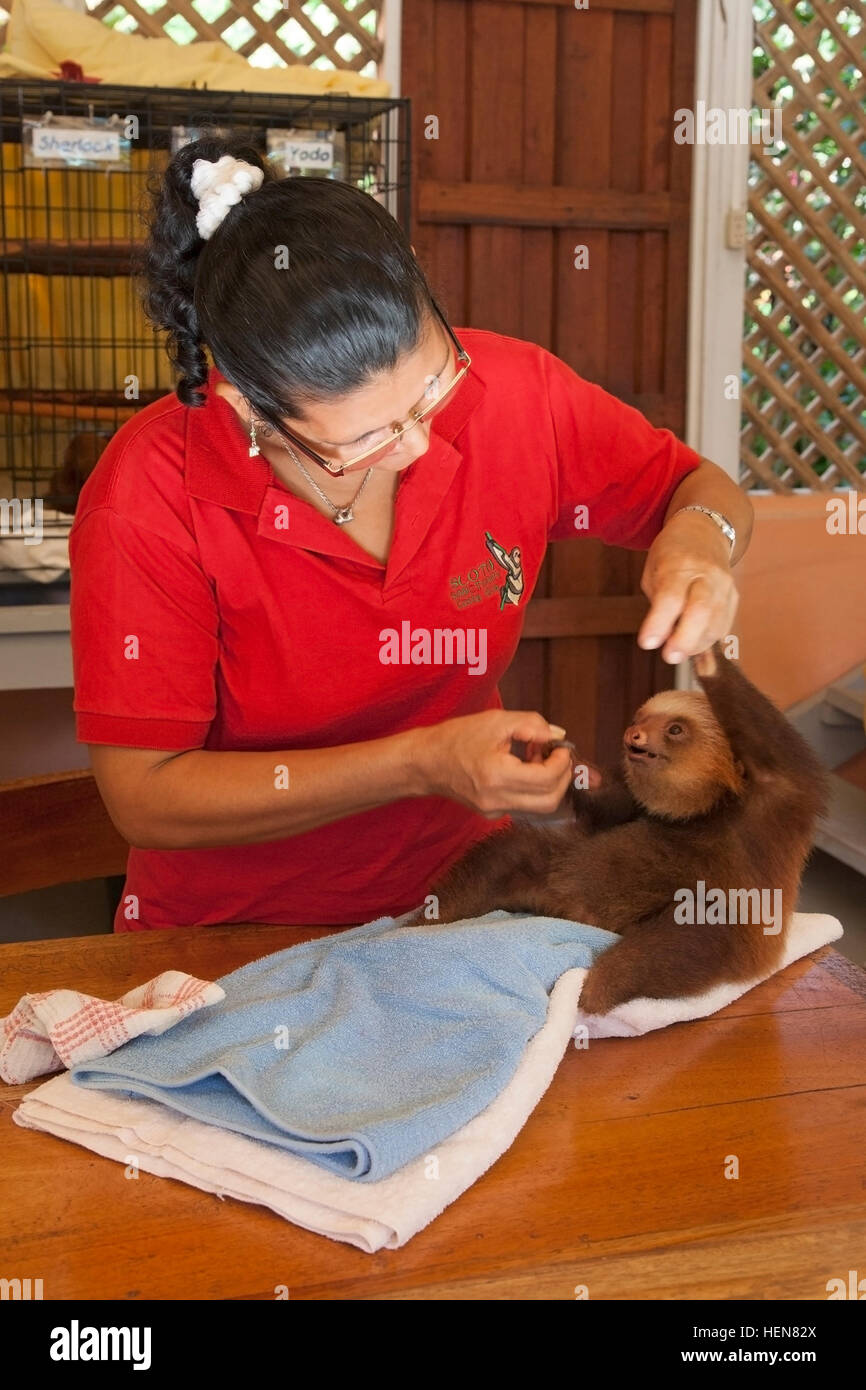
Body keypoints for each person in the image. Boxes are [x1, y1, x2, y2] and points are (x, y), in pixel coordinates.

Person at [69, 135, 752, 932]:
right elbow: (146, 798)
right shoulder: (149, 496)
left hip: (468, 902)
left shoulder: (516, 396)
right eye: (364, 439)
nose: (421, 445)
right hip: (235, 940)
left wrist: (702, 538)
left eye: (433, 385)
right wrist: (421, 763)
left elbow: (700, 489)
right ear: (247, 409)